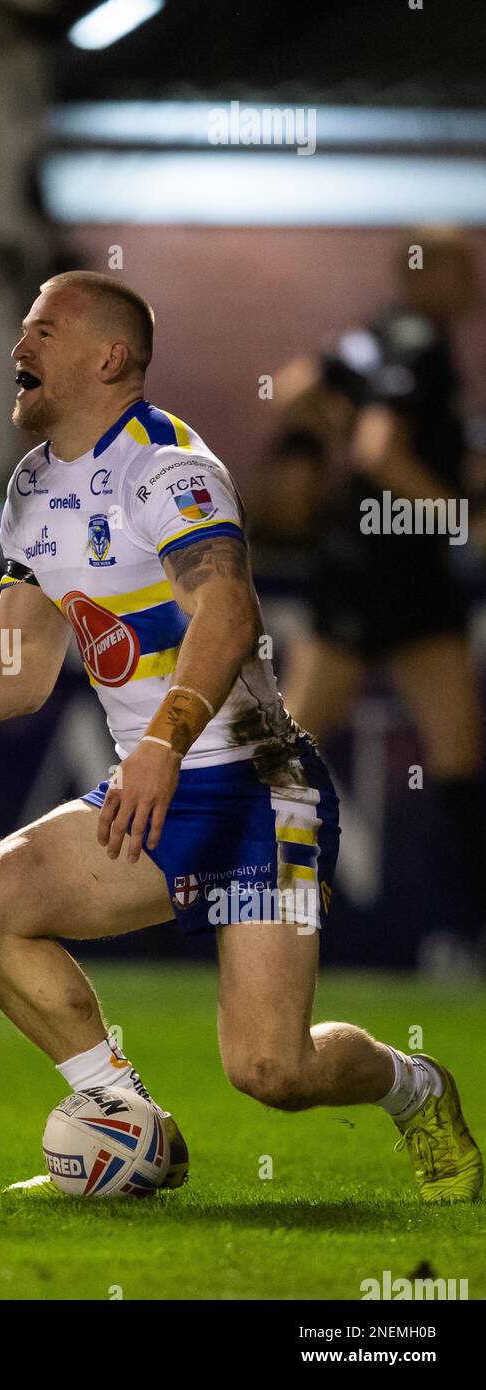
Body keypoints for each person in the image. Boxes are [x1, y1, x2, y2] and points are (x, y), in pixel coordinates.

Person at [0, 269, 481, 1203]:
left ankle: (414, 1087)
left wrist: (160, 744)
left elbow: (227, 611)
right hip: (154, 789)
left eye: (44, 330)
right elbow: (15, 674)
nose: (19, 347)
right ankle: (128, 1126)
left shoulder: (168, 465)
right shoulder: (32, 487)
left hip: (255, 787)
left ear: (109, 356)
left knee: (271, 1073)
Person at [266, 228, 485, 979]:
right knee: (446, 763)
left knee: (289, 751)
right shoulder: (420, 343)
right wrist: (458, 515)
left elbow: (294, 389)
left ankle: (198, 914)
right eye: (468, 266)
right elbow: (379, 452)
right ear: (437, 273)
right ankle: (464, 937)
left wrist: (339, 423)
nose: (476, 281)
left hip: (373, 570)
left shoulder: (369, 336)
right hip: (386, 572)